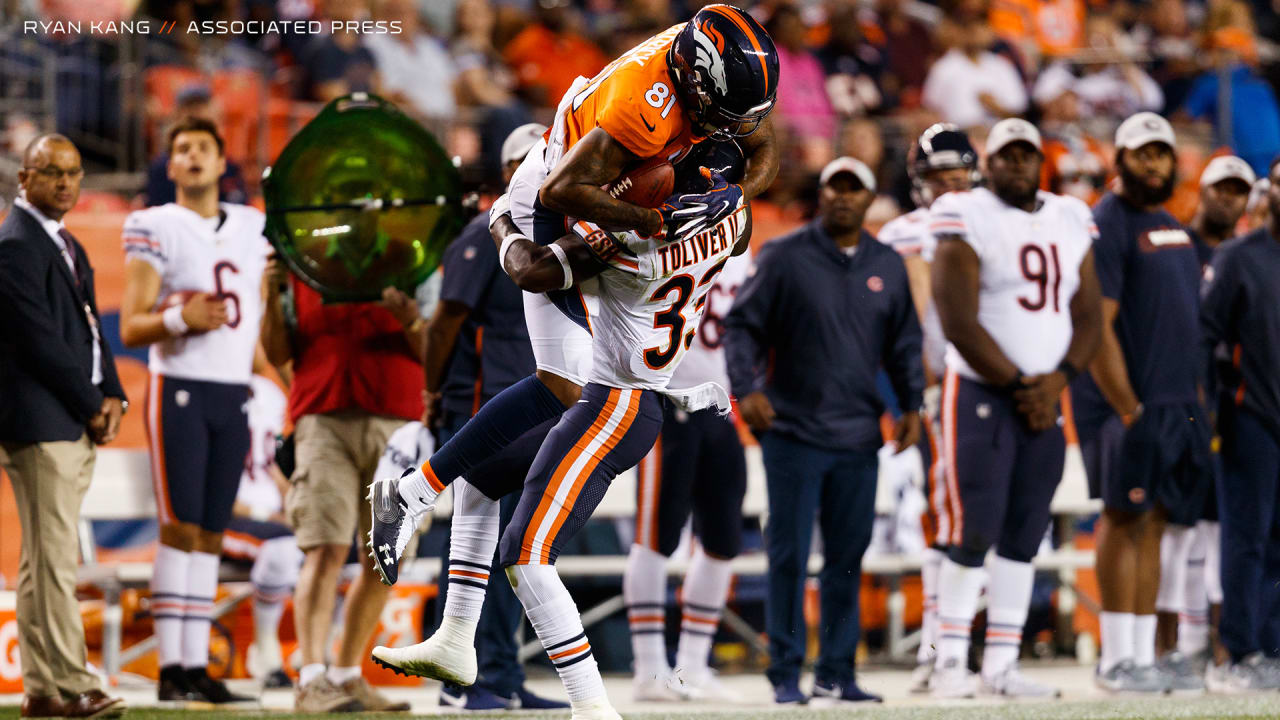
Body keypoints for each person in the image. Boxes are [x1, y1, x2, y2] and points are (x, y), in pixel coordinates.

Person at [370, 4, 780, 586]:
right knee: (563, 372)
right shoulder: (646, 106)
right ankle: (414, 489)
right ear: (694, 79)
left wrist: (733, 196)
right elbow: (565, 192)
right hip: (551, 192)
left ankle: (422, 491)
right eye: (722, 114)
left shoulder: (714, 78)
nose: (731, 128)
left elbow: (763, 146)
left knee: (570, 384)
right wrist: (651, 218)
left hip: (625, 193)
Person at [375, 147, 755, 720]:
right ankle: (455, 639)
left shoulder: (635, 245)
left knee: (525, 554)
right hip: (631, 390)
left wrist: (504, 214)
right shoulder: (731, 227)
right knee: (480, 478)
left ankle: (593, 706)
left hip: (615, 409)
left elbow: (529, 269)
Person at [724, 156, 924, 705]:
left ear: (867, 199)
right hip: (791, 431)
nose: (842, 197)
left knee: (846, 559)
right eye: (833, 187)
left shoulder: (888, 262)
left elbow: (904, 344)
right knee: (787, 557)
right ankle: (786, 674)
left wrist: (912, 406)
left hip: (859, 434)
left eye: (853, 188)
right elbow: (741, 325)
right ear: (822, 194)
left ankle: (837, 671)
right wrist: (749, 388)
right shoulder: (785, 256)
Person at [926, 119, 1102, 699]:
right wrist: (1025, 385)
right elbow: (957, 320)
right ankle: (950, 659)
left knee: (1027, 528)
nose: (1017, 165)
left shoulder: (1071, 216)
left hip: (1044, 396)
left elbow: (1090, 316)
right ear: (988, 163)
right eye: (1005, 156)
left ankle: (1001, 662)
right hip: (980, 389)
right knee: (975, 524)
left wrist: (1057, 381)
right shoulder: (964, 212)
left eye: (1027, 155)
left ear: (1041, 161)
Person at [118, 115, 266, 706]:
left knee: (208, 533)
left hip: (232, 390)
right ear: (171, 165)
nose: (194, 156)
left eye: (204, 147)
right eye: (183, 149)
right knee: (179, 530)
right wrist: (182, 317)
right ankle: (171, 667)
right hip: (179, 385)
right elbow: (132, 324)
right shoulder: (156, 225)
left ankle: (194, 665)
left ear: (222, 161)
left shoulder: (253, 227)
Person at [420, 123, 567, 712]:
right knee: (470, 546)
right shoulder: (484, 237)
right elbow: (447, 320)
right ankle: (458, 682)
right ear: (511, 172)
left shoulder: (555, 236)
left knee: (519, 544)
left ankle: (502, 672)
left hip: (533, 410)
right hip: (485, 406)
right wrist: (435, 396)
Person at [259, 214, 429, 712]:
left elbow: (438, 347)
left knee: (385, 555)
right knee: (324, 548)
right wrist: (270, 295)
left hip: (397, 419)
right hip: (322, 414)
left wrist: (411, 320)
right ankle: (311, 678)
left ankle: (347, 673)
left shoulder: (412, 260)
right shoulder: (300, 263)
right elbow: (277, 352)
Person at [1072, 112, 1213, 694]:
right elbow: (1096, 326)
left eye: (1162, 153)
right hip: (1126, 406)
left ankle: (1143, 652)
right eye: (1142, 153)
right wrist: (1127, 406)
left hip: (1175, 405)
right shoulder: (1106, 224)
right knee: (1123, 518)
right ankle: (1115, 657)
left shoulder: (1172, 225)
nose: (1153, 163)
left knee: (1153, 522)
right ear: (1120, 158)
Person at [0, 134, 128, 720]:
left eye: (74, 173)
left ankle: (44, 691)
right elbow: (40, 343)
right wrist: (89, 401)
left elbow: (92, 329)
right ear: (23, 178)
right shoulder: (14, 244)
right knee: (53, 562)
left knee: (40, 564)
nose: (66, 183)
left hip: (67, 417)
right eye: (52, 172)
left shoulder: (63, 241)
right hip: (44, 419)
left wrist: (115, 393)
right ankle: (76, 685)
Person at [622, 143, 754, 705]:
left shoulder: (744, 251)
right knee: (657, 535)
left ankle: (693, 667)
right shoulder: (656, 238)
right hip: (665, 401)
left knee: (722, 537)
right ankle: (651, 668)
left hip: (718, 406)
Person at [877, 123, 980, 693]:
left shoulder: (992, 219)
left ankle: (944, 654)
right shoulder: (905, 232)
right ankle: (943, 656)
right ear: (919, 182)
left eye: (956, 175)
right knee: (947, 519)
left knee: (962, 520)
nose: (948, 186)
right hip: (934, 390)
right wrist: (914, 386)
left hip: (982, 385)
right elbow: (900, 315)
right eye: (938, 177)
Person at [1153, 155, 1254, 682]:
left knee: (1218, 529)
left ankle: (1209, 645)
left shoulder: (1248, 254)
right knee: (1177, 527)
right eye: (1221, 189)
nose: (1229, 200)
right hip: (1179, 401)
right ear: (1203, 191)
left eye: (1239, 191)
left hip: (1229, 405)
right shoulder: (1177, 248)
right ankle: (1169, 644)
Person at [1199, 160, 1280, 691]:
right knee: (1247, 537)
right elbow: (1202, 340)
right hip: (1252, 416)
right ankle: (1238, 652)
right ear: (1269, 194)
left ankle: (1271, 647)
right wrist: (1205, 414)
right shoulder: (1237, 258)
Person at [221, 371, 298, 689]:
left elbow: (273, 464)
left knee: (339, 547)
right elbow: (217, 489)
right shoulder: (215, 387)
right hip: (228, 517)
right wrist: (268, 514)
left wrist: (295, 507)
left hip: (272, 517)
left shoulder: (271, 393)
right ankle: (265, 650)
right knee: (281, 548)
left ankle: (317, 654)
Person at [144, 85, 248, 207]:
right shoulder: (160, 167)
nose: (195, 113)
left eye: (200, 107)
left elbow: (238, 207)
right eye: (189, 107)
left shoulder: (230, 167)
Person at [921, 13, 1027, 130]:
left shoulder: (1002, 65)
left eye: (982, 28)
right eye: (972, 30)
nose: (978, 34)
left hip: (999, 135)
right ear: (961, 33)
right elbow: (929, 109)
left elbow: (1019, 113)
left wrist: (996, 108)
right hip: (957, 137)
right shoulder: (944, 67)